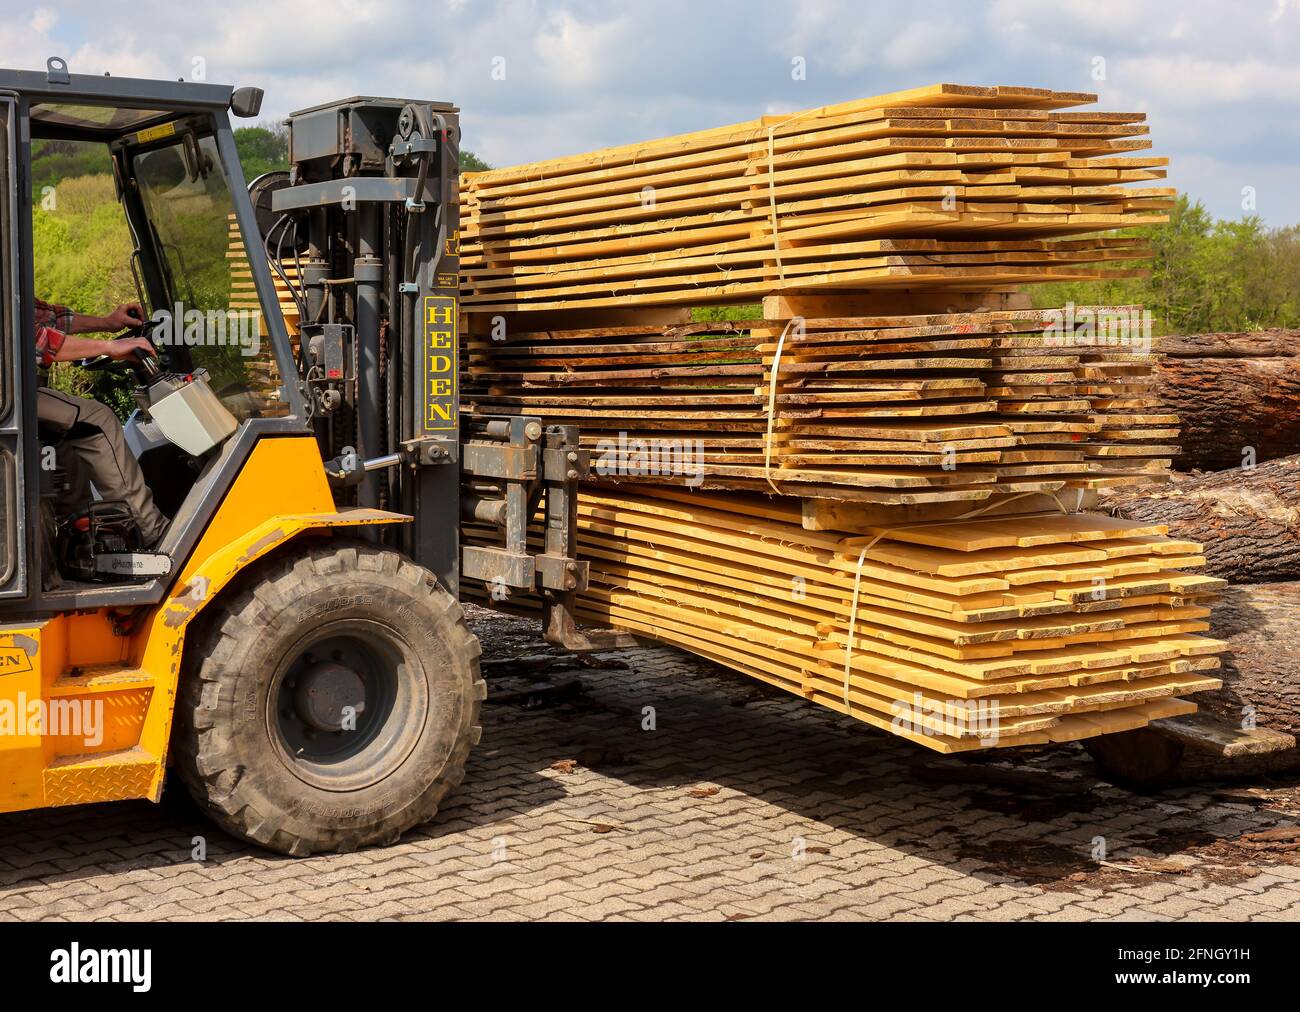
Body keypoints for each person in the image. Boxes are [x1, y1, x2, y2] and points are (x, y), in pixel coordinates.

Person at [34, 297, 169, 548]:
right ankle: (152, 531)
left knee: (67, 441)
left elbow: (49, 317)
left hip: (12, 392)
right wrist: (108, 347)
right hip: (8, 397)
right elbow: (36, 340)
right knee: (98, 420)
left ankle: (76, 544)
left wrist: (108, 323)